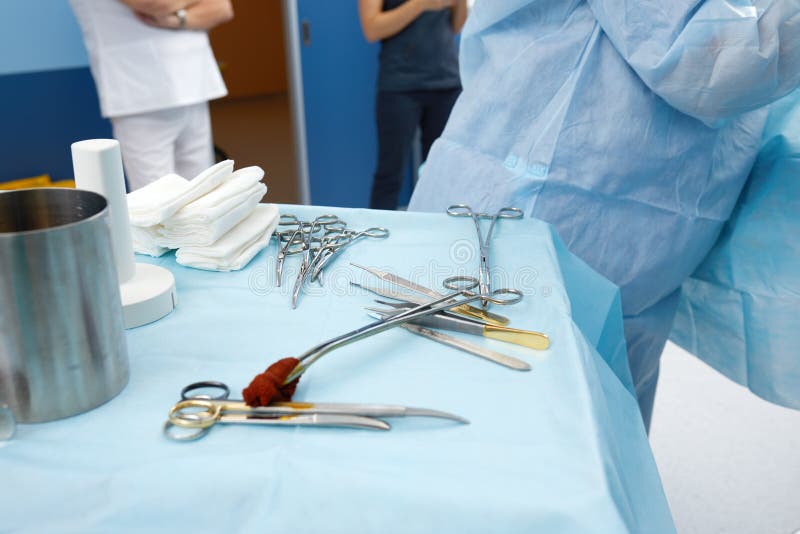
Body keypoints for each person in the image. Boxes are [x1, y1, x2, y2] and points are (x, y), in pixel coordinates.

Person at [408, 0, 800, 430]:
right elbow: (710, 58)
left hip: (629, 244)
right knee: (490, 433)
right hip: (543, 214)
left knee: (594, 443)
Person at [69, 0, 233, 190]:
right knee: (155, 199)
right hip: (141, 93)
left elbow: (222, 9)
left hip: (194, 85)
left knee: (202, 193)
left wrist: (177, 18)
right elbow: (155, 3)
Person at [358, 0, 468, 210]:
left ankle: (439, 237)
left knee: (442, 173)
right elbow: (371, 29)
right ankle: (379, 240)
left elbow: (455, 26)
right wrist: (420, 4)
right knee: (389, 175)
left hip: (447, 82)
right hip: (400, 86)